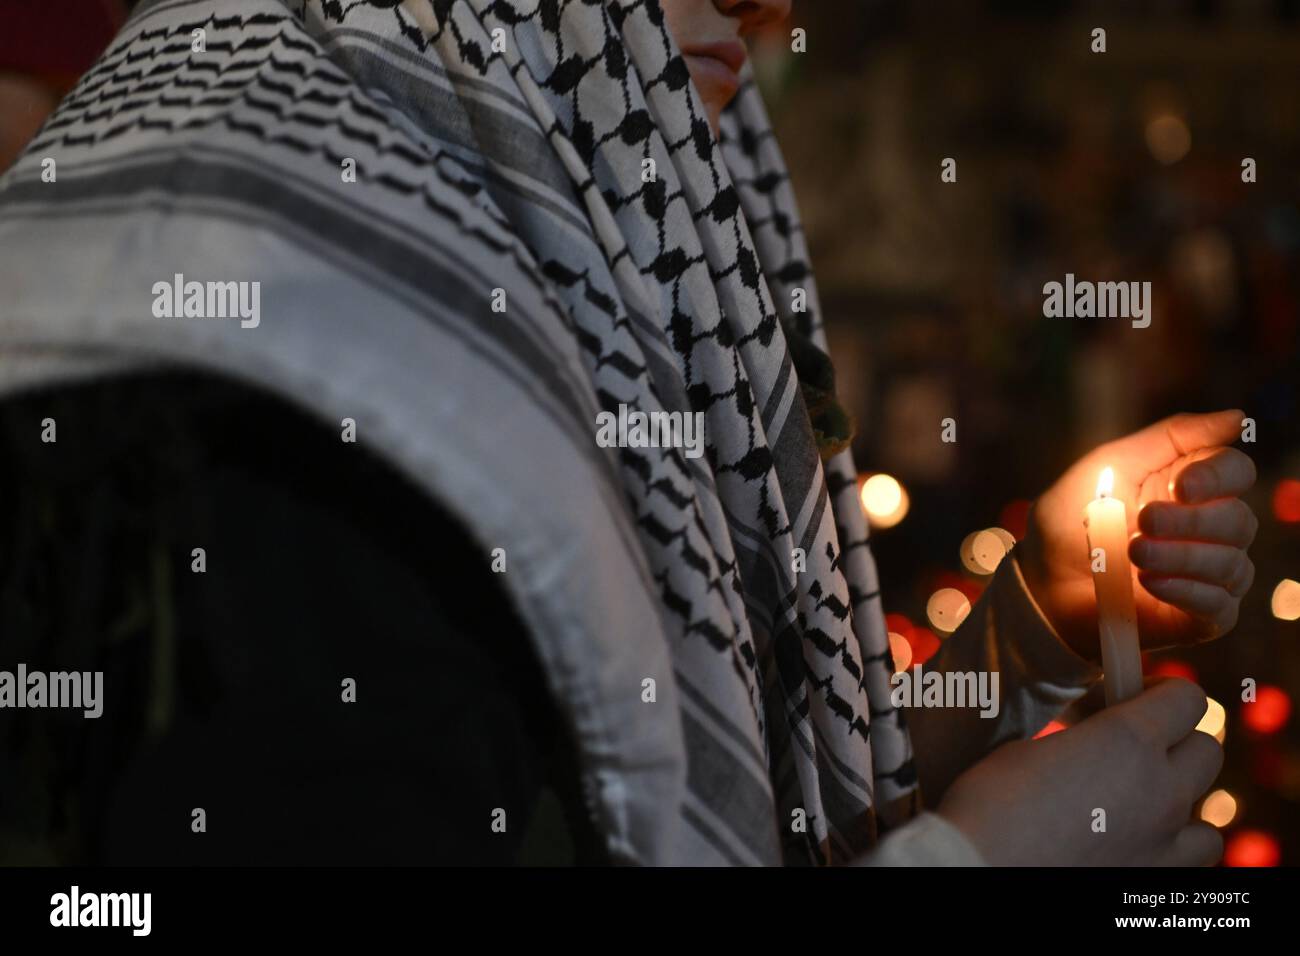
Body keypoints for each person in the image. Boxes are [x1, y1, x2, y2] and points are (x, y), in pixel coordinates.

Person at [0, 0, 1256, 866]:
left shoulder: (499, 268)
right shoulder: (298, 390)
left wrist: (1028, 622)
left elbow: (697, 801)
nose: (769, 7)